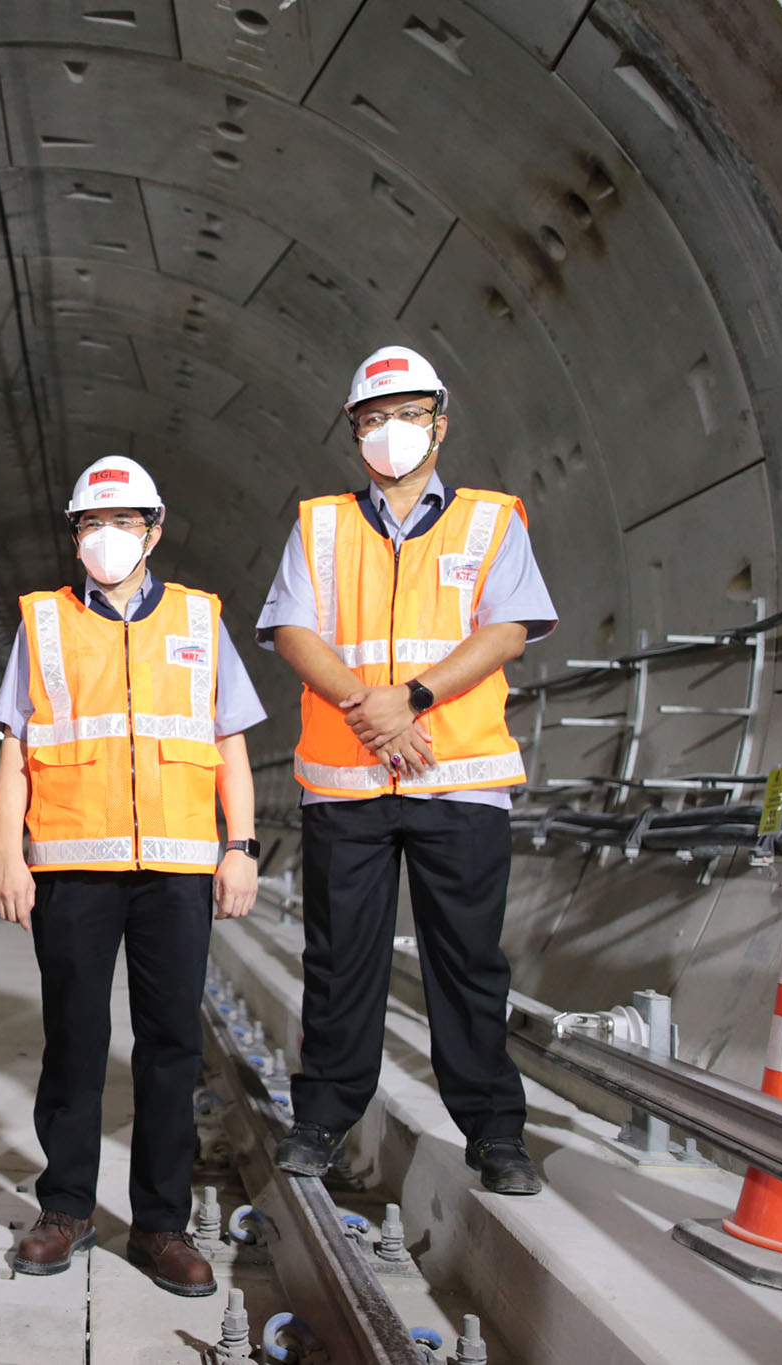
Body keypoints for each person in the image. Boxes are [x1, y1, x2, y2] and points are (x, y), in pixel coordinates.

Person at [255, 345, 557, 1196]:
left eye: (410, 414)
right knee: (340, 959)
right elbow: (294, 631)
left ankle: (495, 1133)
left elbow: (506, 629)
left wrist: (413, 697)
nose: (392, 431)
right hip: (348, 780)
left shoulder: (493, 520)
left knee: (466, 961)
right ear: (355, 432)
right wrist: (372, 709)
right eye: (375, 418)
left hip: (457, 776)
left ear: (441, 423)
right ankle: (320, 1119)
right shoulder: (321, 524)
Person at [0, 455, 264, 1298]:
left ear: (154, 528)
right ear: (76, 534)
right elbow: (14, 750)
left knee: (172, 1050)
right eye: (90, 524)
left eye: (122, 522)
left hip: (176, 867)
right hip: (72, 865)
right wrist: (9, 851)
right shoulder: (42, 624)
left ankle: (160, 1223)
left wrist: (241, 844)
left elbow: (229, 745)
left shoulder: (198, 617)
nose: (106, 537)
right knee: (74, 1041)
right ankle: (66, 1208)